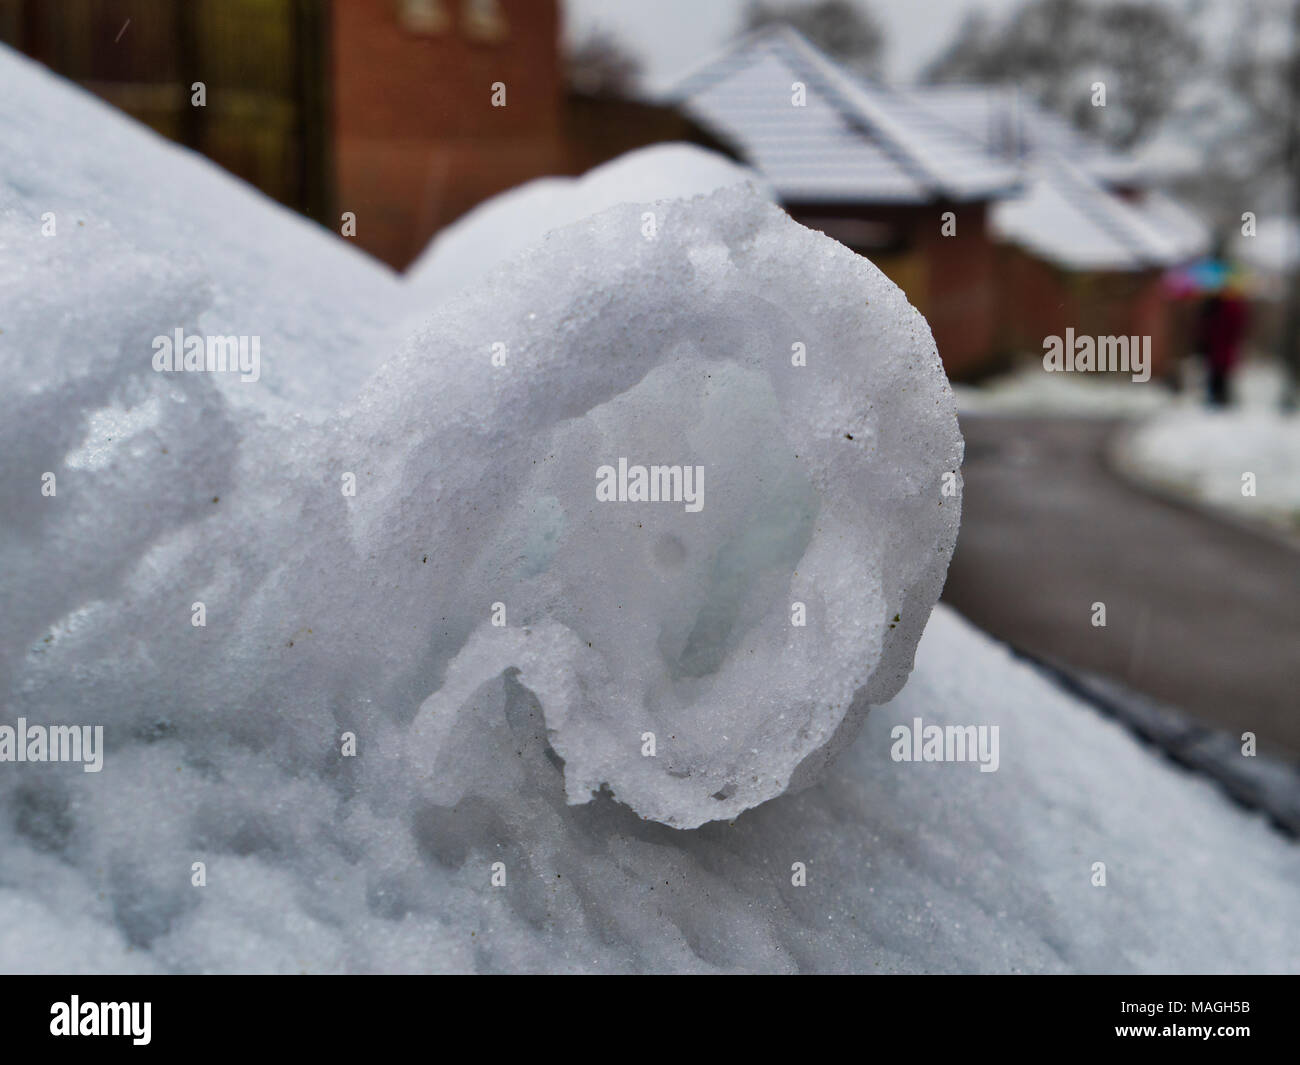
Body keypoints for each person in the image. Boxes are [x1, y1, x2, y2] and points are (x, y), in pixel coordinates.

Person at [1197, 289, 1249, 406]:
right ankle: (1218, 397)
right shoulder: (1226, 306)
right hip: (1219, 347)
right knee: (1218, 373)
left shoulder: (1225, 307)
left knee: (1218, 373)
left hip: (1220, 347)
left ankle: (1218, 398)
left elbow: (1233, 327)